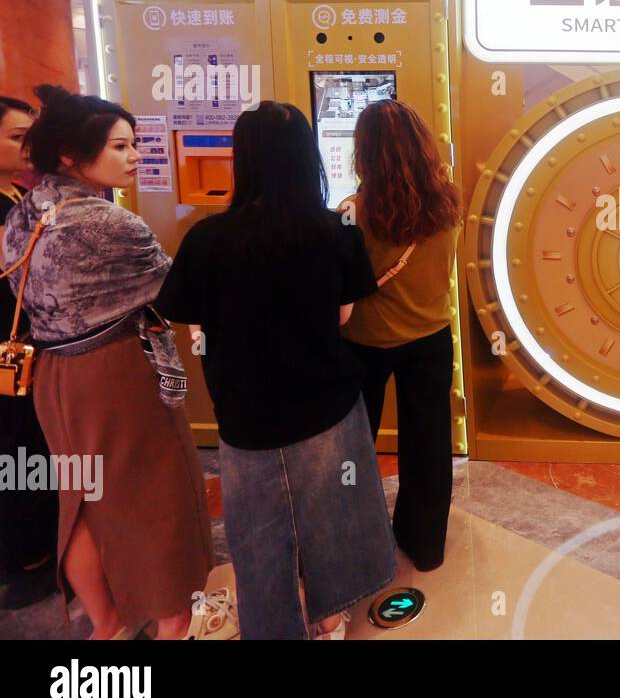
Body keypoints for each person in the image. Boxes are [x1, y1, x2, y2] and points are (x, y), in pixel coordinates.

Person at [156, 101, 395, 639]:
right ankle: (329, 618)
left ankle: (271, 626)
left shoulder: (206, 238)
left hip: (244, 409)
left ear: (243, 160)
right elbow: (342, 313)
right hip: (325, 401)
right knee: (333, 515)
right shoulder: (336, 232)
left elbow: (186, 314)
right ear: (307, 158)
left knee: (257, 534)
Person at [1, 85, 213, 638]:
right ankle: (174, 624)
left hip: (54, 376)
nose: (136, 156)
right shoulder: (111, 225)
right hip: (117, 373)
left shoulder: (25, 212)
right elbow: (180, 291)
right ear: (73, 155)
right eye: (121, 146)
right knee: (156, 497)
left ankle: (106, 624)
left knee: (79, 499)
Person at [340, 100, 462, 572]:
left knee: (355, 449)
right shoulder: (448, 201)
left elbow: (346, 286)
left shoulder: (352, 212)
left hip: (363, 344)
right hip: (430, 337)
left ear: (364, 151)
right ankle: (425, 545)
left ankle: (359, 546)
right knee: (429, 445)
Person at [0, 95, 59, 610]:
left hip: (21, 349)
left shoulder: (19, 198)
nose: (29, 146)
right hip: (11, 352)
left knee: (26, 444)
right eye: (17, 137)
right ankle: (30, 556)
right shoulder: (17, 210)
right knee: (20, 447)